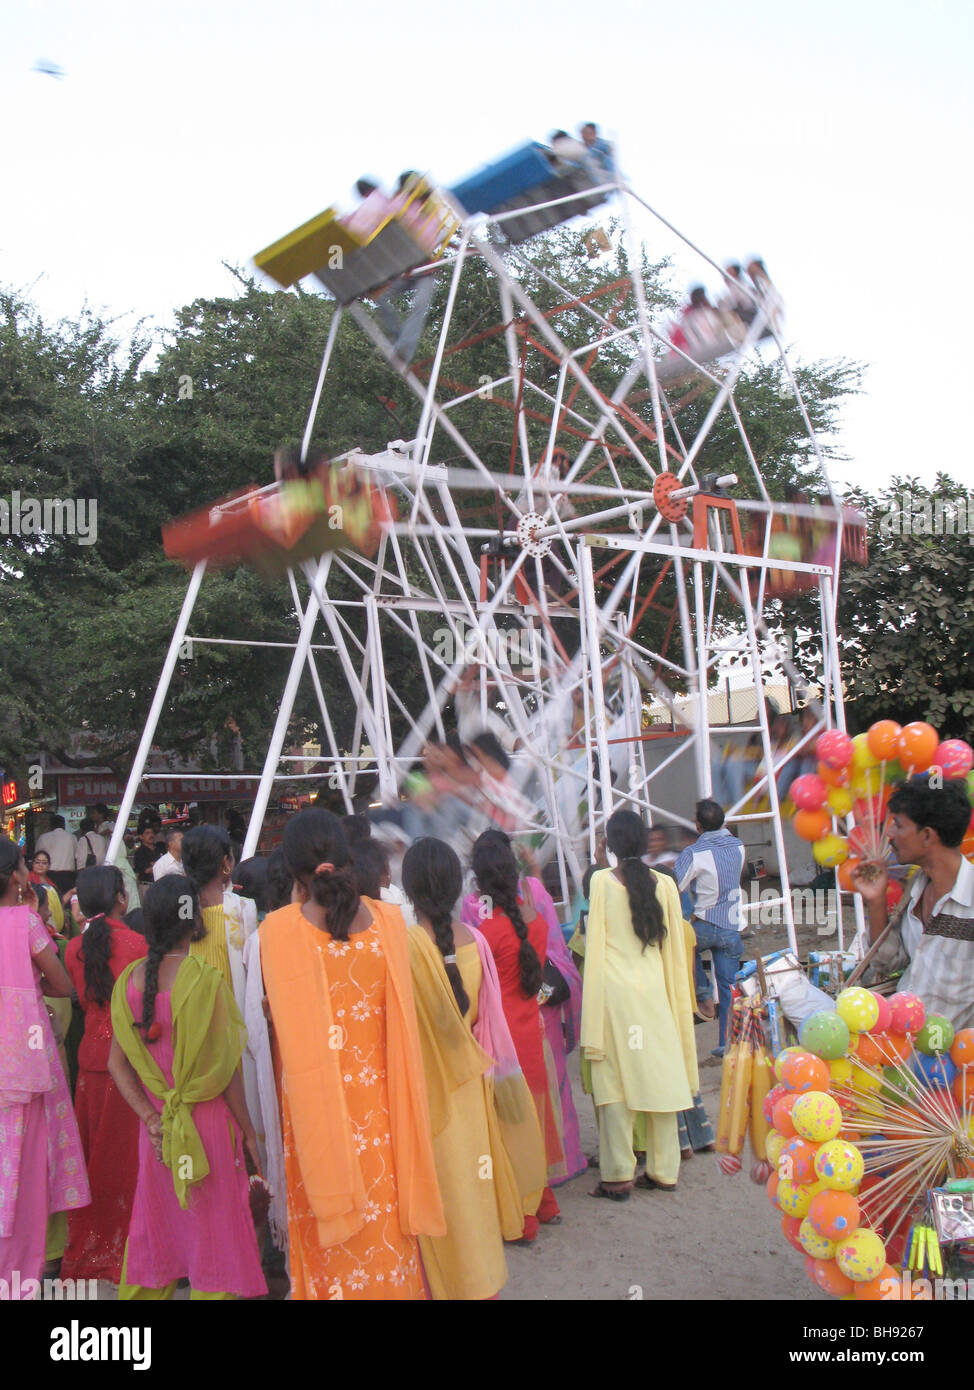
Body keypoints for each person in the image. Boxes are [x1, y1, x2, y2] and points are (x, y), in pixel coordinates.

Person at [258, 808, 445, 1299]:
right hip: (386, 1118)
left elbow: (278, 1023)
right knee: (387, 1237)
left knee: (330, 1250)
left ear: (293, 870)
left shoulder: (278, 932)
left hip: (318, 1123)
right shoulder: (389, 922)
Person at [107, 875, 267, 1299]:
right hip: (209, 1127)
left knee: (155, 1226)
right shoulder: (204, 979)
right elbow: (227, 1072)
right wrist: (249, 1134)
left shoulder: (128, 984)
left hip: (159, 1131)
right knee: (216, 1234)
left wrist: (149, 1116)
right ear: (193, 920)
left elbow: (116, 1065)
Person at [402, 837, 544, 1299]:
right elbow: (486, 1022)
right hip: (473, 1089)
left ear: (409, 890)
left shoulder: (406, 947)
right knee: (474, 1193)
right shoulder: (475, 940)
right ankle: (484, 1285)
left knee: (444, 1199)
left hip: (430, 1096)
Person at [581, 810, 697, 1199]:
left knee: (614, 1082)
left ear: (610, 844)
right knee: (659, 1076)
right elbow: (675, 951)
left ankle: (618, 1174)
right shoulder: (665, 884)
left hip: (615, 995)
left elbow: (595, 940)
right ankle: (664, 1170)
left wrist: (601, 861)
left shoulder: (601, 881)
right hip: (655, 993)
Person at [461, 831, 586, 1183]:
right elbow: (556, 947)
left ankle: (523, 1174)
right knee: (553, 1083)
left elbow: (476, 966)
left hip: (503, 1012)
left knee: (513, 1095)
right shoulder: (535, 892)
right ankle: (565, 1160)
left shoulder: (476, 906)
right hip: (542, 999)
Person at [0, 838, 89, 1294]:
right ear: (17, 876)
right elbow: (61, 984)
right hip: (26, 1063)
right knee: (28, 1167)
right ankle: (19, 1275)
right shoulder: (26, 922)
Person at [471, 832, 564, 1236]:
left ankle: (523, 1215)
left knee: (509, 1127)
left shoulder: (486, 932)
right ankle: (544, 1201)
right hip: (531, 1031)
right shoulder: (535, 920)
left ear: (480, 882)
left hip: (500, 1038)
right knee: (536, 1120)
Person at [61, 866, 146, 1283]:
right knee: (127, 1157)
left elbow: (80, 998)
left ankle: (91, 1242)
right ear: (120, 898)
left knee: (93, 1155)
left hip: (90, 1060)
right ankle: (130, 1243)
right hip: (128, 1058)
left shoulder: (73, 949)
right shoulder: (138, 944)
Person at [852, 777, 974, 1029]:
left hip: (953, 1049)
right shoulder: (916, 888)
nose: (889, 834)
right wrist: (876, 901)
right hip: (900, 1042)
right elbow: (888, 963)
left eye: (898, 825)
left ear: (927, 835)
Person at [674, 800, 746, 1054]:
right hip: (731, 927)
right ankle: (728, 1045)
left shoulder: (693, 853)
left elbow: (675, 886)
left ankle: (703, 994)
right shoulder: (739, 846)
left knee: (680, 946)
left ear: (698, 825)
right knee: (729, 990)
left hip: (704, 925)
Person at [34, 815, 78, 896]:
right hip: (68, 876)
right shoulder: (72, 837)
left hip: (49, 874)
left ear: (51, 825)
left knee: (51, 899)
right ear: (64, 825)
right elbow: (76, 856)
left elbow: (37, 855)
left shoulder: (44, 837)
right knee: (66, 898)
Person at [131, 824, 165, 901]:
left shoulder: (159, 848)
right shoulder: (140, 852)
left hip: (162, 885)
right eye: (147, 833)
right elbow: (146, 870)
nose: (151, 835)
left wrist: (155, 865)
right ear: (141, 837)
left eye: (152, 833)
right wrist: (161, 865)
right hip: (147, 887)